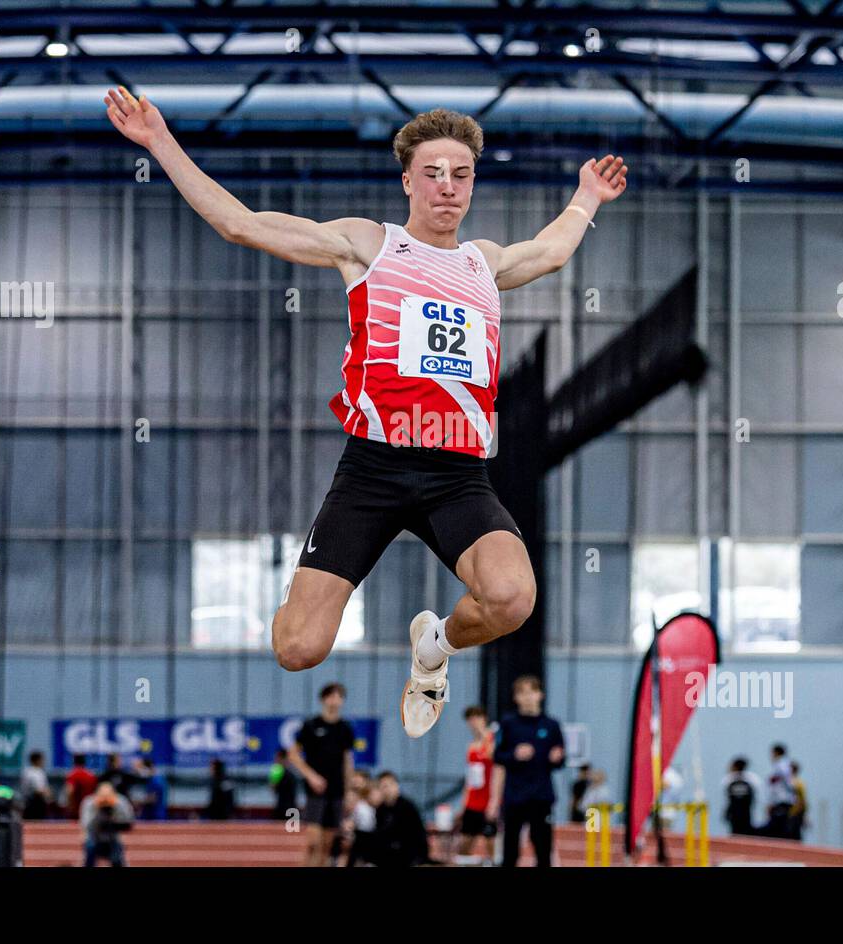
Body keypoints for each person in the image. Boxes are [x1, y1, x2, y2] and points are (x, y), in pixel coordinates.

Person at [103, 89, 628, 741]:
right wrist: (160, 142)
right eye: (432, 173)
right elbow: (242, 223)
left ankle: (433, 649)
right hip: (373, 471)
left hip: (458, 476)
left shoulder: (482, 263)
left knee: (512, 598)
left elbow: (549, 251)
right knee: (298, 648)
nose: (447, 187)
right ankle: (303, 589)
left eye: (460, 174)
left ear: (471, 184)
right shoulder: (368, 245)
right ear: (408, 179)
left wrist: (586, 198)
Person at [490, 675, 565, 867]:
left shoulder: (551, 725)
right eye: (522, 692)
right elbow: (497, 756)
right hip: (515, 797)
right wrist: (514, 754)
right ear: (516, 697)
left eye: (532, 691)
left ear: (540, 695)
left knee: (543, 850)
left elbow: (560, 760)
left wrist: (557, 758)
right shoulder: (508, 724)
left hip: (541, 797)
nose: (528, 696)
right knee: (510, 851)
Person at [288, 683, 356, 867]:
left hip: (337, 790)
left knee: (327, 845)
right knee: (313, 843)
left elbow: (348, 761)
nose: (335, 701)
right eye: (332, 696)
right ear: (323, 699)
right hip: (316, 792)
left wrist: (349, 791)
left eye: (339, 697)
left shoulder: (345, 729)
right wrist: (311, 776)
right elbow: (292, 754)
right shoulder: (311, 726)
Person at [457, 705, 497, 861]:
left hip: (489, 798)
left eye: (477, 718)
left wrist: (484, 735)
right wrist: (463, 804)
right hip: (473, 799)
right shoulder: (471, 747)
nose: (474, 723)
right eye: (471, 720)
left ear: (484, 719)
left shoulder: (492, 739)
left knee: (490, 841)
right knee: (465, 842)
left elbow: (494, 758)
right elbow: (470, 778)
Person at [372, 771, 431, 867]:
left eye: (389, 785)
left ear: (396, 786)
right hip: (388, 853)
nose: (387, 790)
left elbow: (415, 837)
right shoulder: (381, 810)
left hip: (408, 854)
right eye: (383, 787)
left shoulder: (407, 807)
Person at [80, 782, 135, 867]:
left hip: (113, 838)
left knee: (117, 855)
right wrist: (97, 809)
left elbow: (129, 821)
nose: (105, 800)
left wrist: (116, 806)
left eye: (108, 796)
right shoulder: (89, 802)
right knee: (90, 847)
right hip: (94, 837)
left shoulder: (120, 801)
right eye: (102, 796)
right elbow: (86, 824)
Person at [344, 770, 381, 867]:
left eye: (359, 780)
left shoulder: (372, 795)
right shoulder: (351, 796)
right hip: (357, 833)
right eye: (355, 779)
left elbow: (376, 803)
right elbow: (349, 813)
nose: (357, 782)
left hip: (371, 834)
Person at [763, 744, 795, 838]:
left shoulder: (781, 765)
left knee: (778, 828)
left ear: (776, 753)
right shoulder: (780, 765)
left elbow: (787, 782)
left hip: (782, 800)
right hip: (780, 800)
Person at [723, 757, 759, 837]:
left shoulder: (729, 779)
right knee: (745, 833)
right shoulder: (752, 779)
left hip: (736, 811)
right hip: (745, 811)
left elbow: (728, 798)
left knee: (736, 833)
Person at [19, 751, 52, 820]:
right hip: (35, 804)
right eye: (42, 760)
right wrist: (49, 796)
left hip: (28, 803)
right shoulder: (35, 772)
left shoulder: (26, 771)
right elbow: (38, 790)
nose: (43, 762)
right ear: (37, 760)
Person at [63, 754, 98, 820]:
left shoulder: (73, 775)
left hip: (76, 810)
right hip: (89, 808)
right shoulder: (91, 775)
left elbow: (70, 791)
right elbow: (95, 792)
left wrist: (70, 806)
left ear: (74, 762)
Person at [268, 748, 299, 820]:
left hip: (283, 808)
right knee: (293, 830)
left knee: (281, 830)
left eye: (276, 757)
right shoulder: (292, 772)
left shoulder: (277, 770)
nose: (275, 760)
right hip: (292, 808)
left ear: (281, 758)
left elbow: (272, 787)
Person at [788, 761, 808, 841]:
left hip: (795, 813)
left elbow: (802, 800)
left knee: (794, 835)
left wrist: (803, 815)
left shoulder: (798, 783)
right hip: (790, 812)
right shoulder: (793, 782)